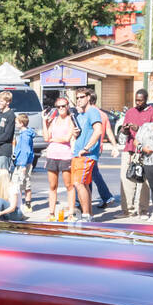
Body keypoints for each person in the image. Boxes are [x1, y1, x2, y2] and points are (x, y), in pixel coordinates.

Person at [67, 90, 104, 221]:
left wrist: (86, 148)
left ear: (88, 98)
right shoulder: (81, 115)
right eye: (77, 98)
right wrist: (75, 134)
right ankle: (89, 215)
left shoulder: (92, 111)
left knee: (78, 183)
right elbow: (81, 133)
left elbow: (98, 131)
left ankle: (86, 215)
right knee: (84, 184)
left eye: (82, 97)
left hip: (85, 155)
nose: (79, 100)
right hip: (78, 154)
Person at [119, 88, 153, 216]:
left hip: (144, 150)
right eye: (136, 100)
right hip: (129, 149)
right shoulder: (130, 112)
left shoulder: (152, 112)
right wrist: (125, 129)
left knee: (144, 181)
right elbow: (124, 133)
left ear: (146, 99)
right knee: (126, 178)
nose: (138, 103)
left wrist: (139, 129)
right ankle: (127, 209)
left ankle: (143, 209)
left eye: (140, 100)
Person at [42, 98, 78, 221]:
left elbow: (67, 138)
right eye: (58, 106)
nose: (61, 108)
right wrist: (44, 120)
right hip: (52, 155)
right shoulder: (54, 120)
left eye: (63, 106)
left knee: (69, 185)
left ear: (67, 106)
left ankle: (71, 214)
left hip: (65, 156)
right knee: (52, 186)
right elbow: (46, 137)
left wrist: (54, 139)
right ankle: (51, 213)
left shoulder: (70, 120)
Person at [12, 113, 35, 214]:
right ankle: (24, 203)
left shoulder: (25, 135)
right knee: (22, 183)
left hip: (23, 163)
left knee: (21, 183)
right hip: (22, 162)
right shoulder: (24, 133)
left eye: (16, 123)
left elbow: (25, 150)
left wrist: (23, 165)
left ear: (21, 123)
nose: (15, 124)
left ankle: (25, 204)